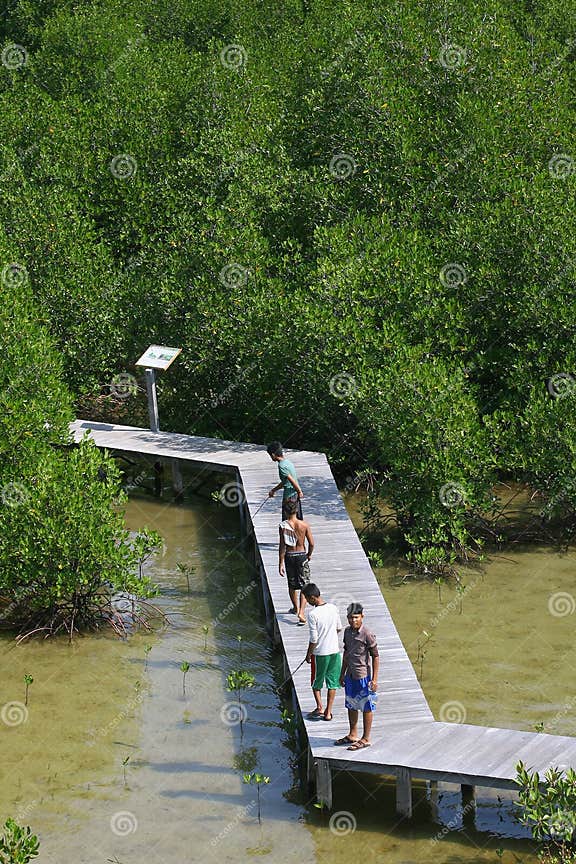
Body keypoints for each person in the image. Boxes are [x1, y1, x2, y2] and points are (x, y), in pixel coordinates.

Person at [335, 602, 379, 751]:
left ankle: (366, 738)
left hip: (363, 676)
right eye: (350, 618)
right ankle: (353, 734)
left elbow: (376, 656)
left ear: (362, 616)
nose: (353, 620)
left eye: (356, 617)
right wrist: (342, 674)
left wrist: (374, 679)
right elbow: (346, 654)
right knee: (351, 704)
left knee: (366, 706)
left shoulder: (367, 633)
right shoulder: (347, 632)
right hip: (350, 675)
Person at [302, 583, 342, 721]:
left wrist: (308, 655)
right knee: (332, 683)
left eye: (307, 599)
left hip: (320, 654)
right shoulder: (333, 608)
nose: (306, 602)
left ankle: (319, 707)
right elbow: (338, 628)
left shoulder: (312, 614)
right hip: (335, 652)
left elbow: (314, 639)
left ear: (313, 597)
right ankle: (328, 712)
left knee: (316, 682)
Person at [279, 499, 314, 625]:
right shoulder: (304, 525)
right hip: (301, 555)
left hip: (289, 556)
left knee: (292, 585)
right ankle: (302, 612)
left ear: (285, 511)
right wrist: (309, 555)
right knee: (304, 584)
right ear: (297, 510)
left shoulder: (283, 526)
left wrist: (280, 563)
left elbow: (282, 546)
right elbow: (311, 543)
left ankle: (296, 608)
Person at [266, 441, 304, 520]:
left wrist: (299, 491)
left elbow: (291, 480)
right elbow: (285, 482)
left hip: (289, 498)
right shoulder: (287, 462)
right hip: (295, 495)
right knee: (297, 520)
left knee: (287, 522)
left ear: (273, 455)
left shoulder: (281, 466)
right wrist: (273, 490)